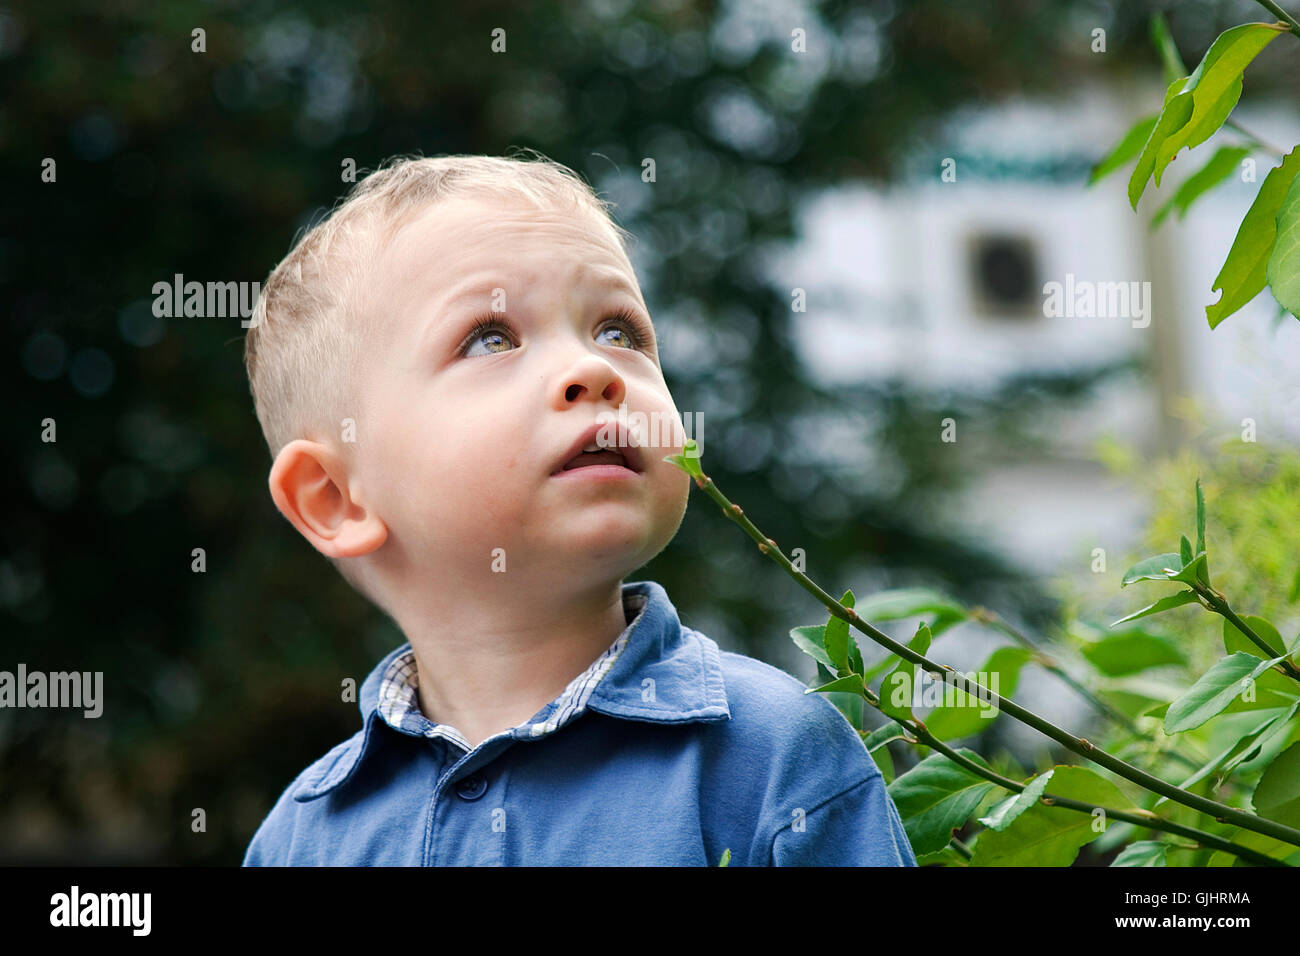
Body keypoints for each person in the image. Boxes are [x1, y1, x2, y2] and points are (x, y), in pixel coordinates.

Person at [240, 151, 917, 866]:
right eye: (491, 338)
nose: (594, 370)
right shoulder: (303, 839)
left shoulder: (775, 758)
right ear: (338, 499)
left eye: (618, 332)